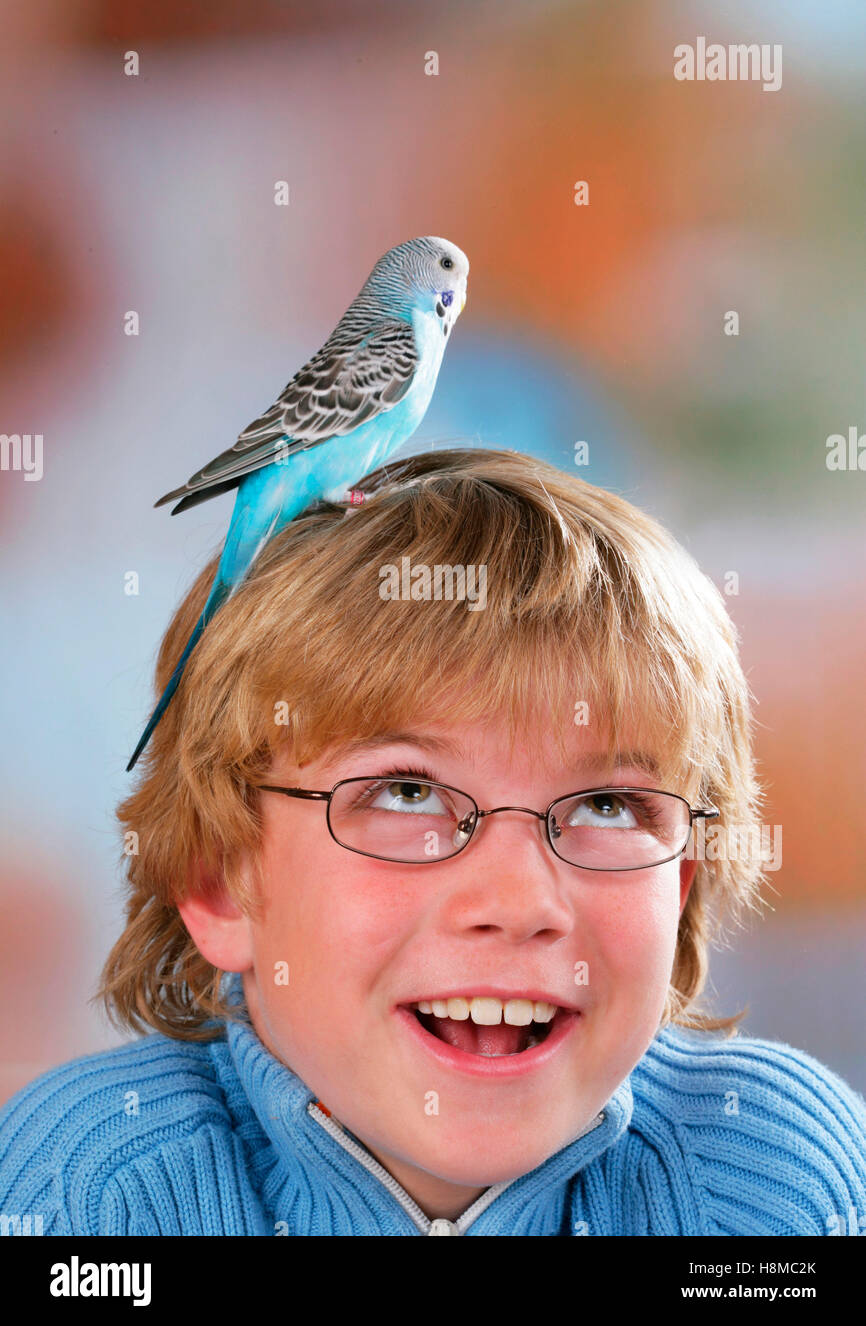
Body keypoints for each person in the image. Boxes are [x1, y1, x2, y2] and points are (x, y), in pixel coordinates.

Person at [1, 447, 864, 1236]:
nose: (520, 903)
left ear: (678, 885)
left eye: (607, 804)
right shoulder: (91, 1192)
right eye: (407, 793)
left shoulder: (776, 1180)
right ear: (222, 878)